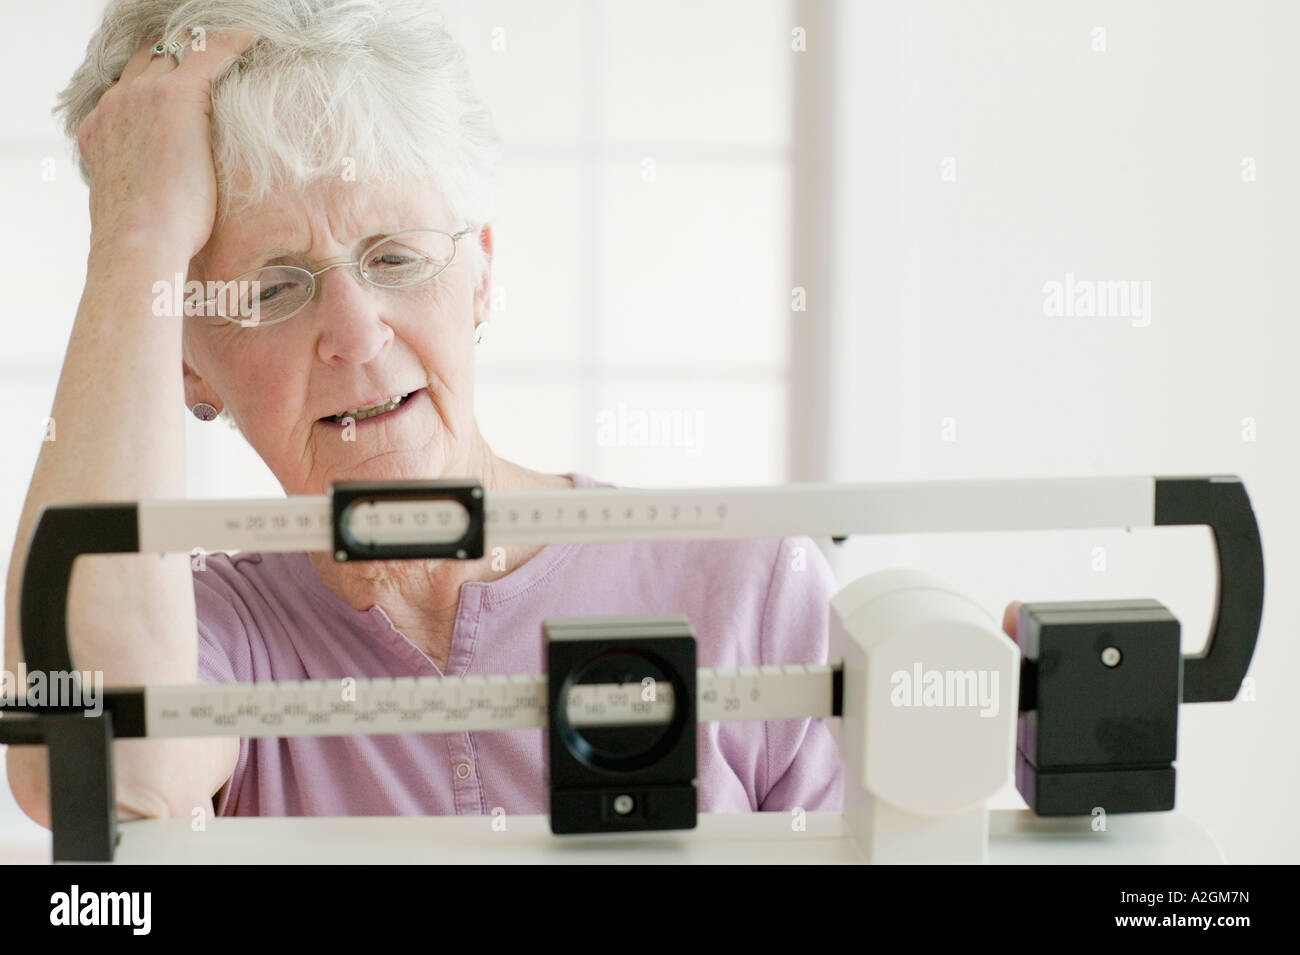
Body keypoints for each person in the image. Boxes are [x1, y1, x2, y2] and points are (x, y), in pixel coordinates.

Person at [4, 0, 846, 822]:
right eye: (273, 288)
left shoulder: (753, 589)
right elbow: (90, 765)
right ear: (185, 363)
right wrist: (136, 235)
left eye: (394, 257)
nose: (356, 332)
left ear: (480, 275)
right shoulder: (215, 636)